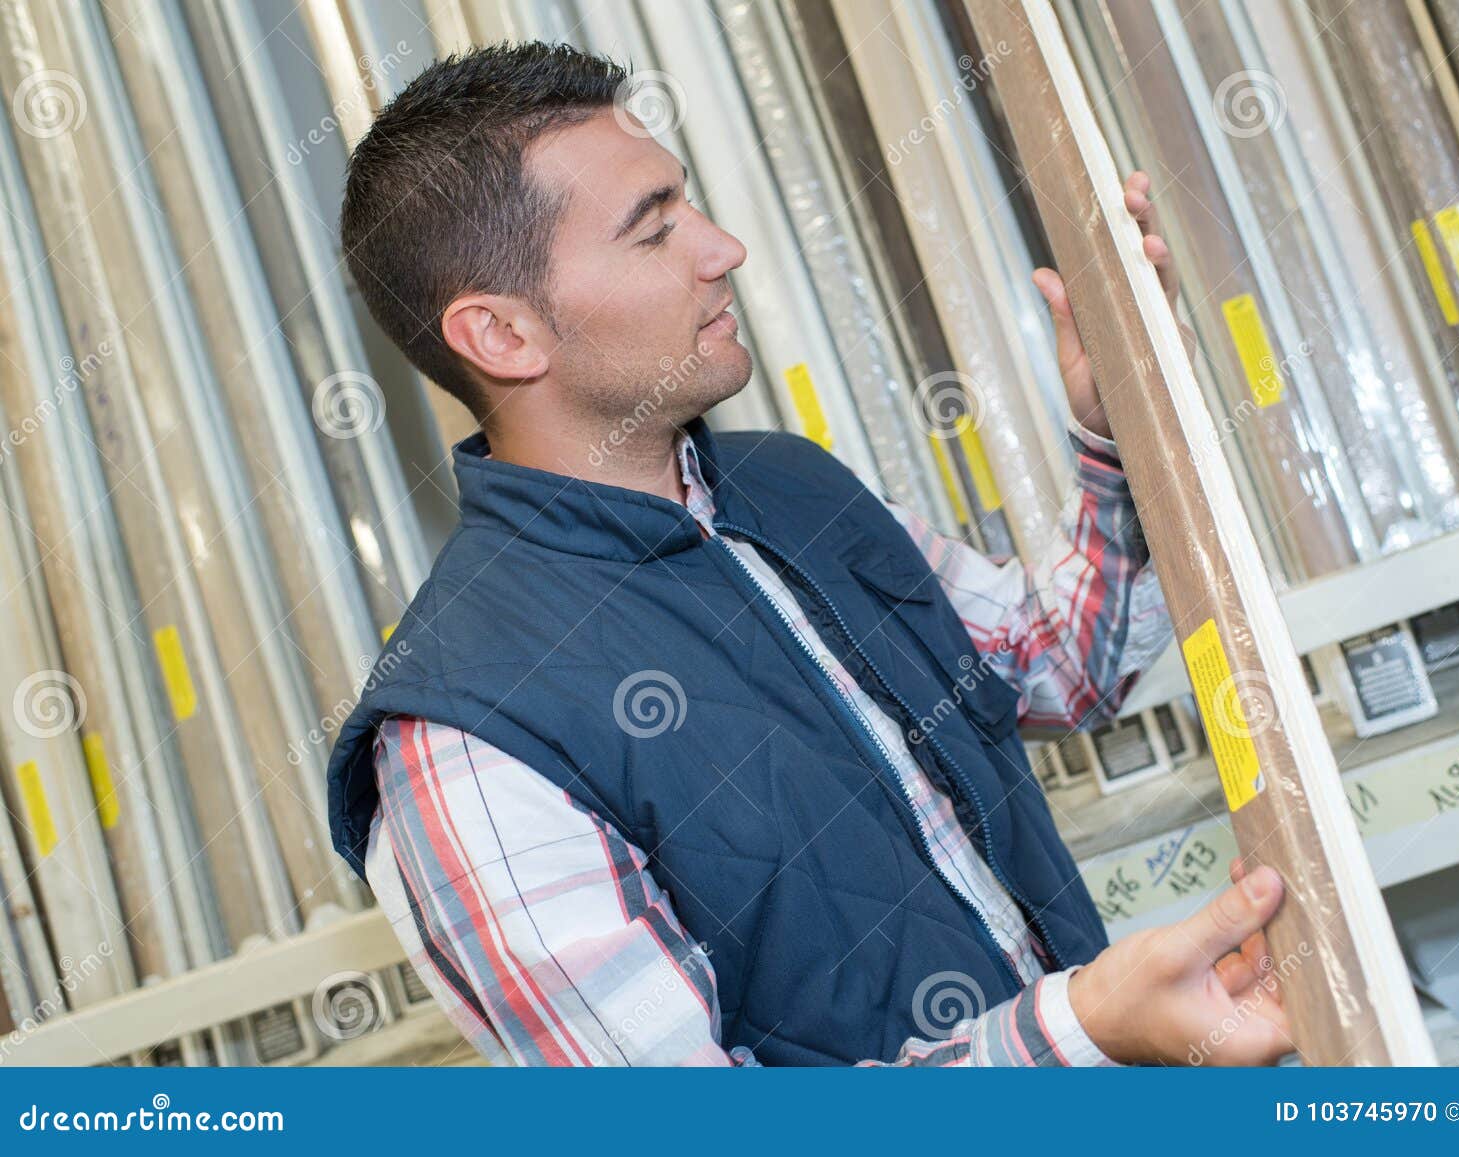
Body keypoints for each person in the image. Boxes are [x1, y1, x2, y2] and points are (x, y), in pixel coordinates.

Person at [325, 41, 1292, 1067]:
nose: (723, 247)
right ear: (503, 336)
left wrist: (1116, 433)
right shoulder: (468, 734)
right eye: (655, 230)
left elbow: (1060, 666)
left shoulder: (789, 488)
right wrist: (1076, 1032)